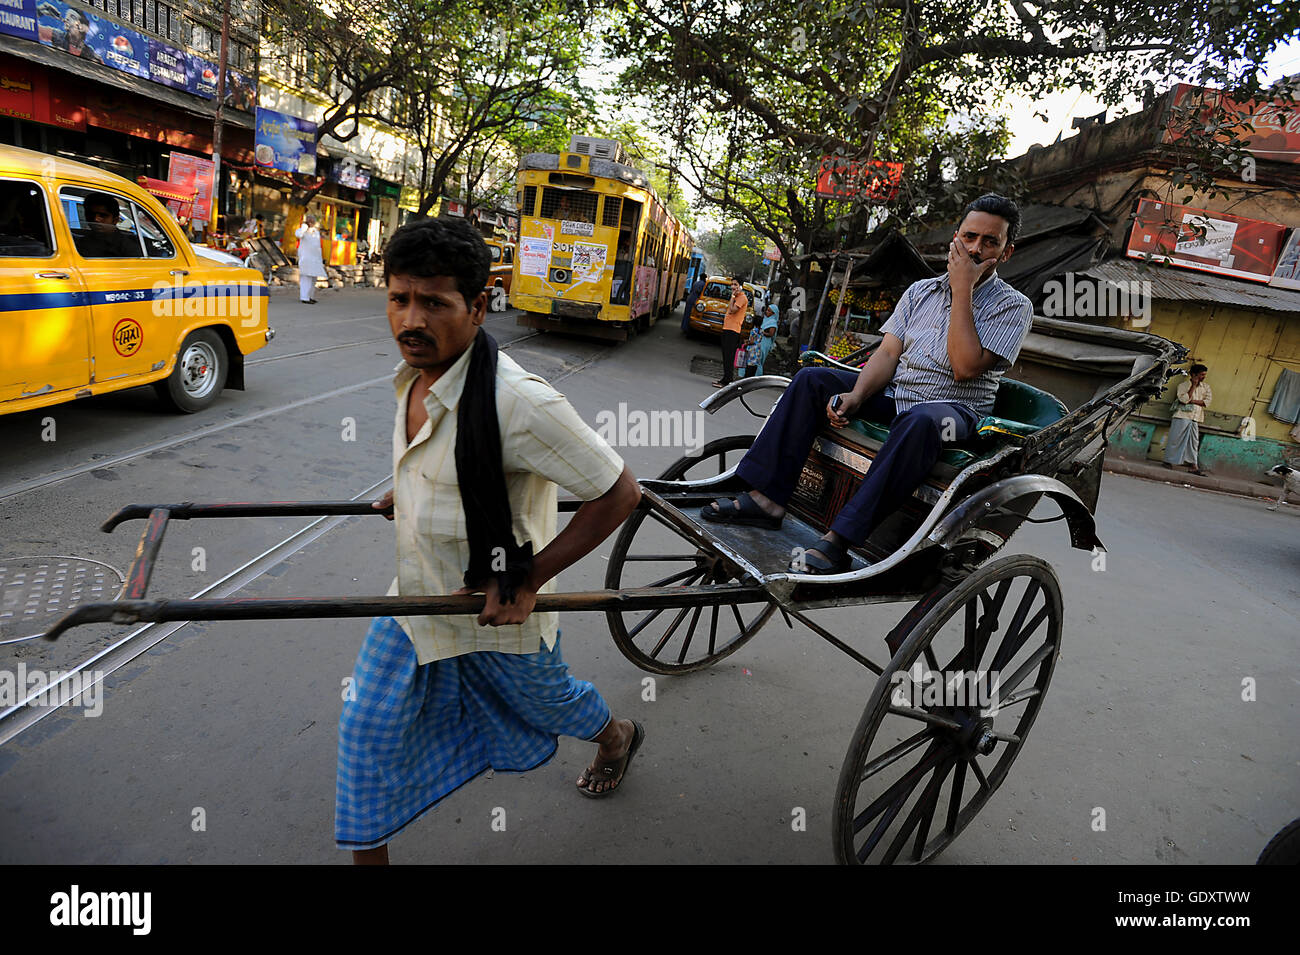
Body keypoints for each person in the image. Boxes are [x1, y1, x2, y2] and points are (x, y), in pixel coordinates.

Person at [336, 216, 646, 864]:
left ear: (478, 307)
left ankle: (616, 735)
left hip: (497, 612)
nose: (409, 320)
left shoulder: (520, 401)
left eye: (433, 303)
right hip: (420, 598)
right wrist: (415, 489)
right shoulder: (415, 377)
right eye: (399, 299)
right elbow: (442, 457)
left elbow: (619, 493)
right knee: (362, 729)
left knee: (554, 701)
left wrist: (528, 575)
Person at [701, 194, 1033, 574]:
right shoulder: (920, 291)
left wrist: (963, 291)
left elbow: (964, 366)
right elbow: (889, 355)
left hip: (955, 414)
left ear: (1006, 252)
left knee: (921, 419)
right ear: (955, 239)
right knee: (813, 380)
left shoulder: (1014, 305)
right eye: (970, 237)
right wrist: (857, 395)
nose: (976, 248)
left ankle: (839, 541)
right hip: (899, 397)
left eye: (990, 242)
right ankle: (767, 499)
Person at [1163, 364, 1211, 475]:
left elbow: (1206, 402)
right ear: (1194, 375)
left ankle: (1193, 465)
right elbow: (1183, 400)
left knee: (1194, 442)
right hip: (1182, 416)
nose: (1203, 377)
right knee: (1175, 439)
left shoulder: (1206, 387)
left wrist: (1191, 400)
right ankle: (1168, 461)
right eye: (1201, 375)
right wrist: (1193, 386)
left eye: (1204, 375)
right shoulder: (1183, 385)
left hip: (1195, 417)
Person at [74, 192, 141, 258]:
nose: (96, 219)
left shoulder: (127, 247)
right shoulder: (82, 242)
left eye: (103, 215)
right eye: (91, 214)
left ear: (115, 220)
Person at [713, 277, 749, 388]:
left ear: (740, 286)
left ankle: (727, 381)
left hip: (733, 330)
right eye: (732, 284)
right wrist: (733, 296)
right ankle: (725, 378)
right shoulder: (736, 297)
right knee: (726, 355)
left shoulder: (741, 298)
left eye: (735, 284)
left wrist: (733, 296)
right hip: (728, 328)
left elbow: (732, 310)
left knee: (729, 356)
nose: (733, 286)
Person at [37, 4, 102, 63]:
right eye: (67, 16)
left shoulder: (91, 55)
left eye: (72, 17)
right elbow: (32, 30)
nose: (67, 19)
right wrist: (38, 12)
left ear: (83, 27)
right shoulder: (58, 36)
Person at [740, 298, 779, 377]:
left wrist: (761, 333)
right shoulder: (764, 320)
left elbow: (771, 334)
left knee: (758, 361)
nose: (766, 312)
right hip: (757, 344)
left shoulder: (773, 322)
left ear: (773, 313)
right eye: (767, 310)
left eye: (769, 311)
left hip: (764, 344)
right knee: (753, 361)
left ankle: (755, 376)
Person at [295, 214, 325, 304]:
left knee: (313, 279)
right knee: (306, 278)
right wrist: (304, 227)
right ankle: (304, 298)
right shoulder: (302, 230)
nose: (311, 223)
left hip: (315, 259)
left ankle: (310, 296)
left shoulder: (316, 231)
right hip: (306, 258)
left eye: (312, 221)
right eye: (309, 221)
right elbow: (298, 235)